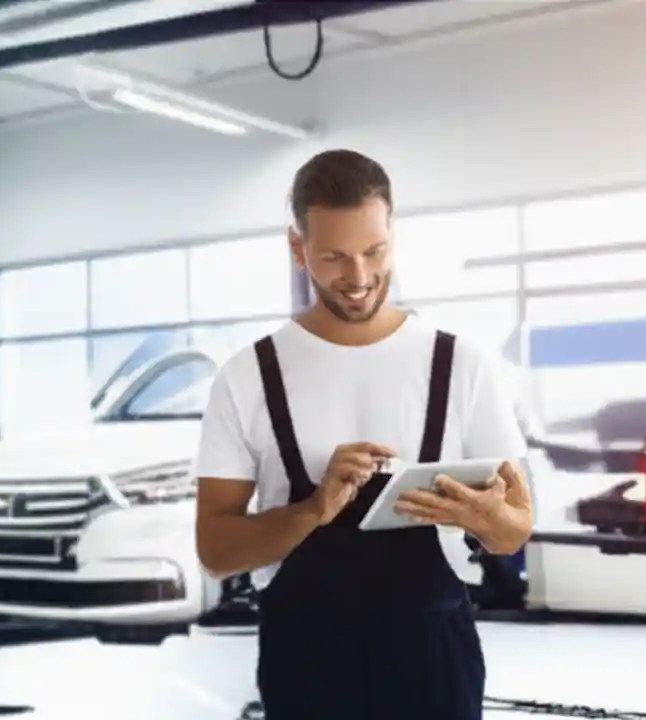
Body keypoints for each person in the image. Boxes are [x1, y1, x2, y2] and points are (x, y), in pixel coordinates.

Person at [193, 149, 533, 720]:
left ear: (393, 235)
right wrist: (310, 511)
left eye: (374, 252)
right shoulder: (248, 377)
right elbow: (214, 550)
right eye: (334, 257)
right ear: (297, 249)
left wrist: (480, 517)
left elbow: (515, 531)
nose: (358, 278)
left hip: (435, 669)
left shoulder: (462, 365)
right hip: (306, 670)